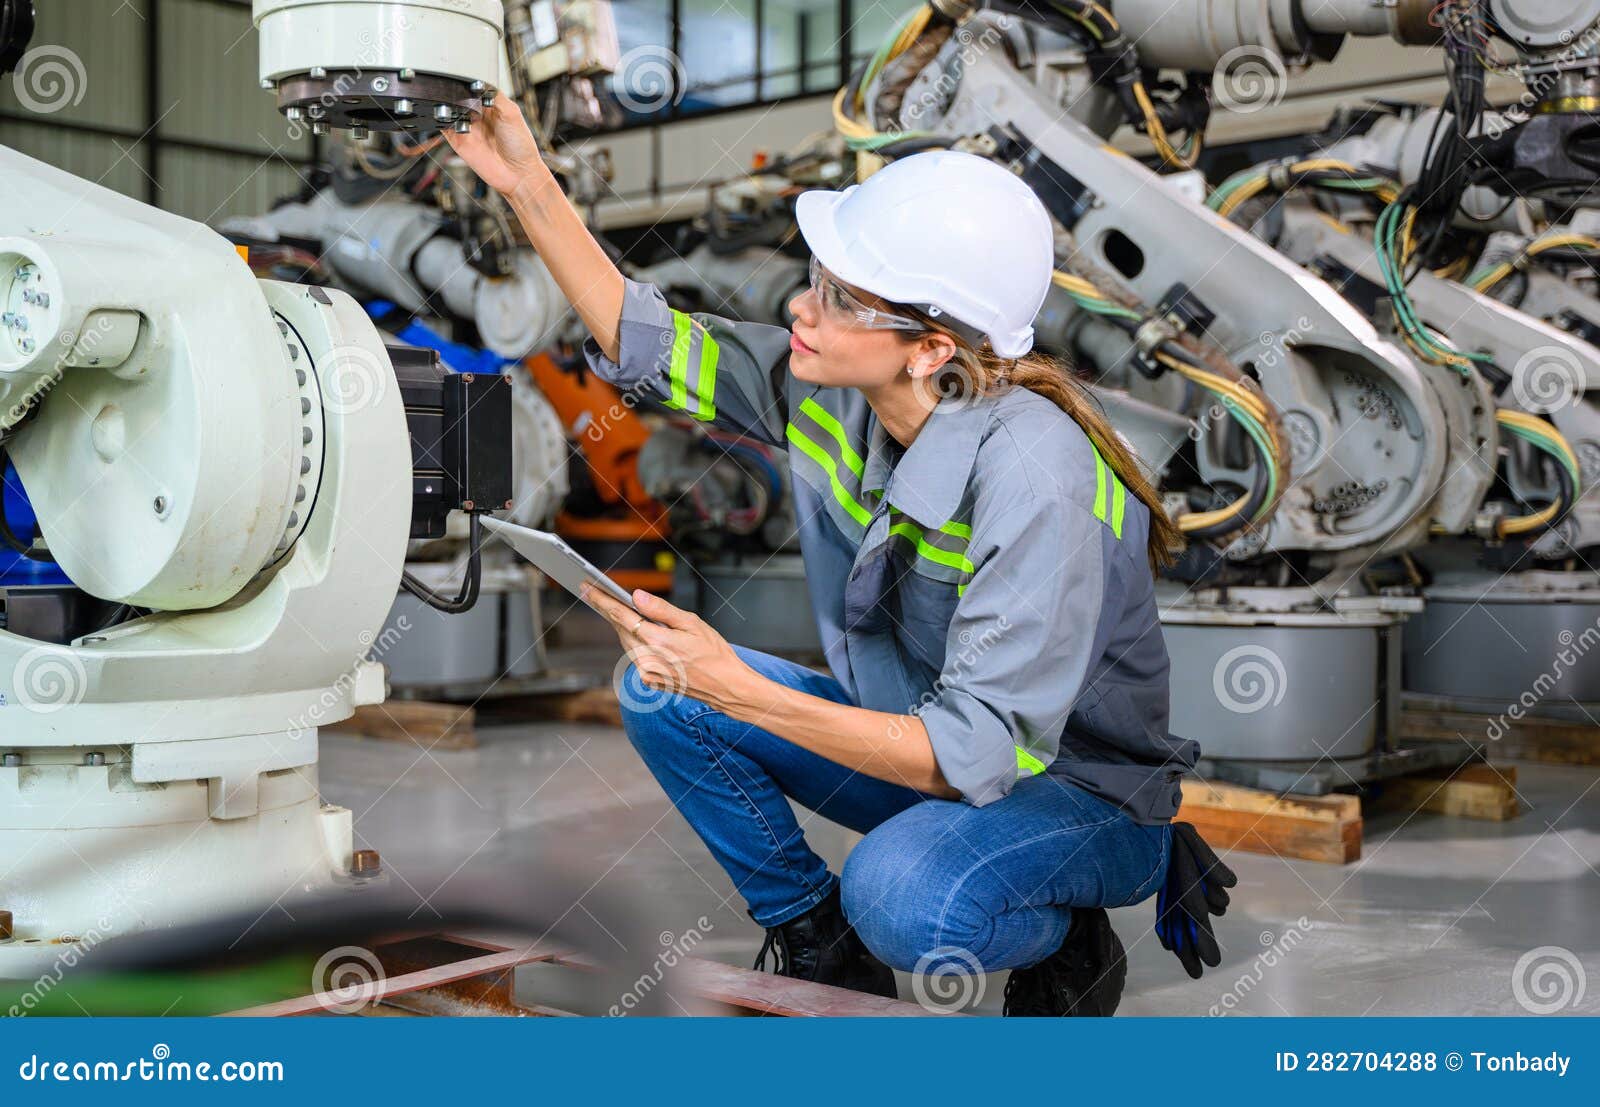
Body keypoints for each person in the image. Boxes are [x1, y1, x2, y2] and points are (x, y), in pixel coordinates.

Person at [445, 98, 1218, 1016]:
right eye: (819, 277)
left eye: (841, 299)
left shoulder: (1037, 477)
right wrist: (529, 183)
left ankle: (1068, 912)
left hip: (1075, 790)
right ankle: (820, 938)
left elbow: (970, 755)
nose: (800, 308)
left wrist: (731, 682)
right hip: (926, 746)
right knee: (659, 690)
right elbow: (645, 340)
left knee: (901, 894)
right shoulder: (834, 398)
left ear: (933, 347)